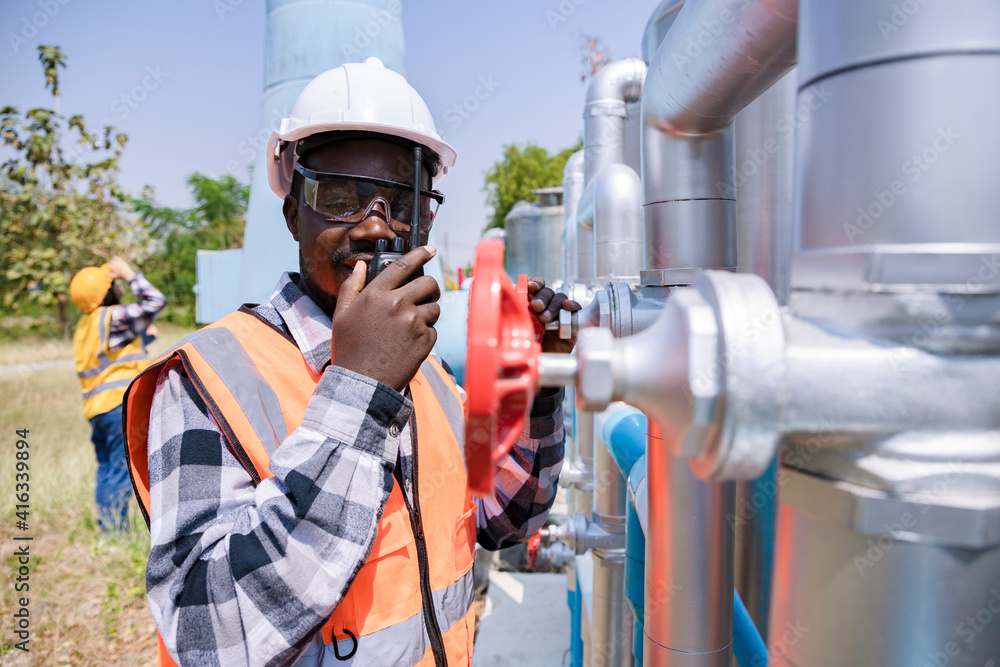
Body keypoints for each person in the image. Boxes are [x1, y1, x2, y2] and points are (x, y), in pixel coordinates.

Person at [122, 57, 579, 667]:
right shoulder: (210, 380)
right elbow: (208, 634)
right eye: (340, 196)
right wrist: (359, 391)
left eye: (401, 201)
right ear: (292, 212)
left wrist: (538, 386)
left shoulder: (430, 376)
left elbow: (505, 518)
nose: (372, 227)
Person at [70, 255, 165, 531]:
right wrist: (129, 273)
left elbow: (107, 356)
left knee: (107, 470)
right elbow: (155, 302)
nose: (119, 285)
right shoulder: (110, 317)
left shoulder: (85, 326)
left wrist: (145, 337)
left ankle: (107, 528)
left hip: (96, 411)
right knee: (122, 471)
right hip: (117, 407)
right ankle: (114, 534)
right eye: (114, 282)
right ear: (106, 292)